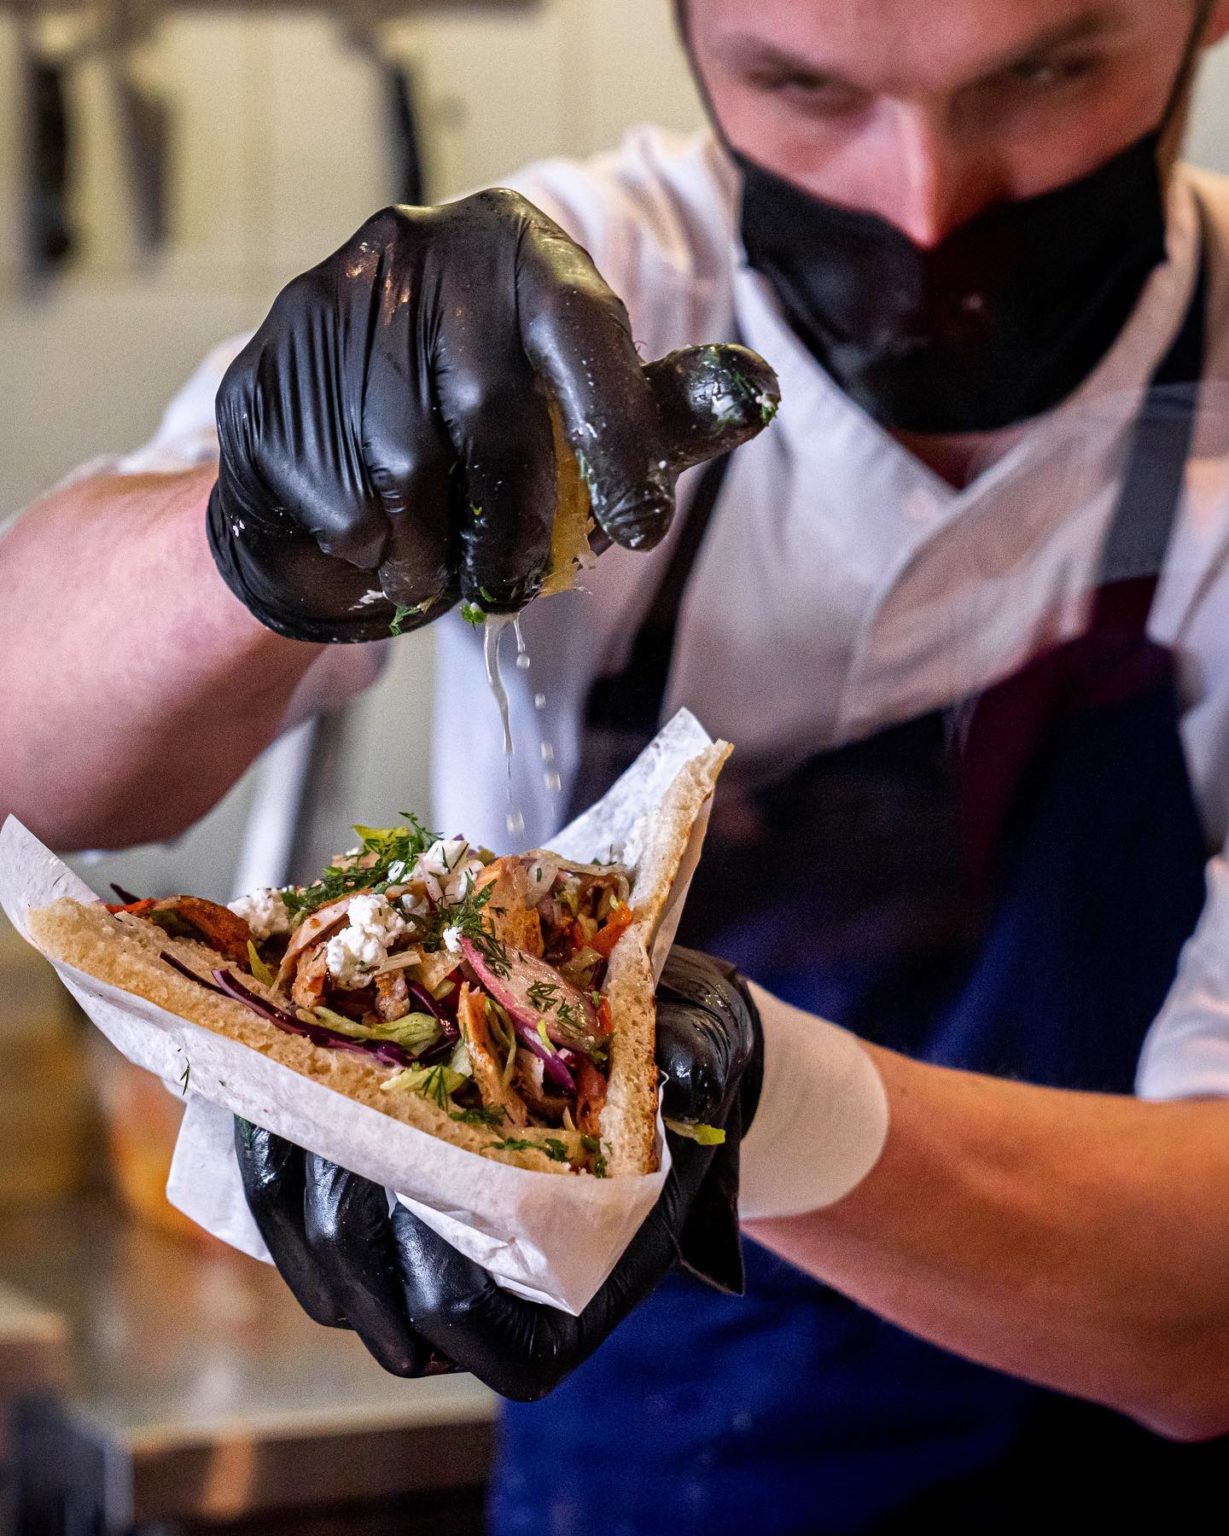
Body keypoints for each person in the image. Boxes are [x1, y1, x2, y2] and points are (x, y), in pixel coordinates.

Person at [8, 0, 1229, 1528]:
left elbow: (1208, 1324)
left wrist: (756, 1108)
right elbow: (31, 762)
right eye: (800, 84)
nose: (919, 204)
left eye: (1045, 70)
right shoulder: (591, 296)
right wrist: (254, 539)